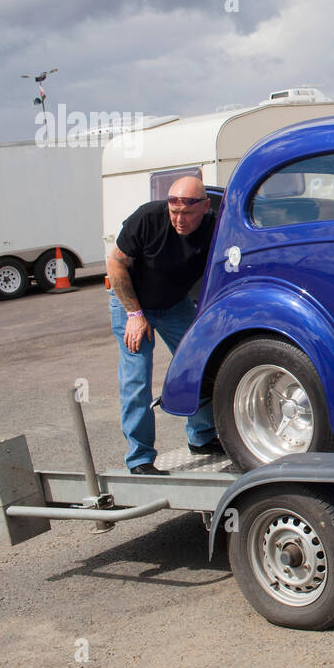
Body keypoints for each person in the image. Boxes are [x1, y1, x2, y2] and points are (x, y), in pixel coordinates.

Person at [106, 177, 221, 474]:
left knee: (201, 365)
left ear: (205, 207)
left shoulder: (214, 227)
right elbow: (115, 263)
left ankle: (201, 436)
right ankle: (140, 459)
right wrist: (134, 314)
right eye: (174, 212)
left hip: (173, 304)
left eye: (188, 214)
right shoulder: (146, 219)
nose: (180, 220)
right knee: (137, 379)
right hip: (132, 303)